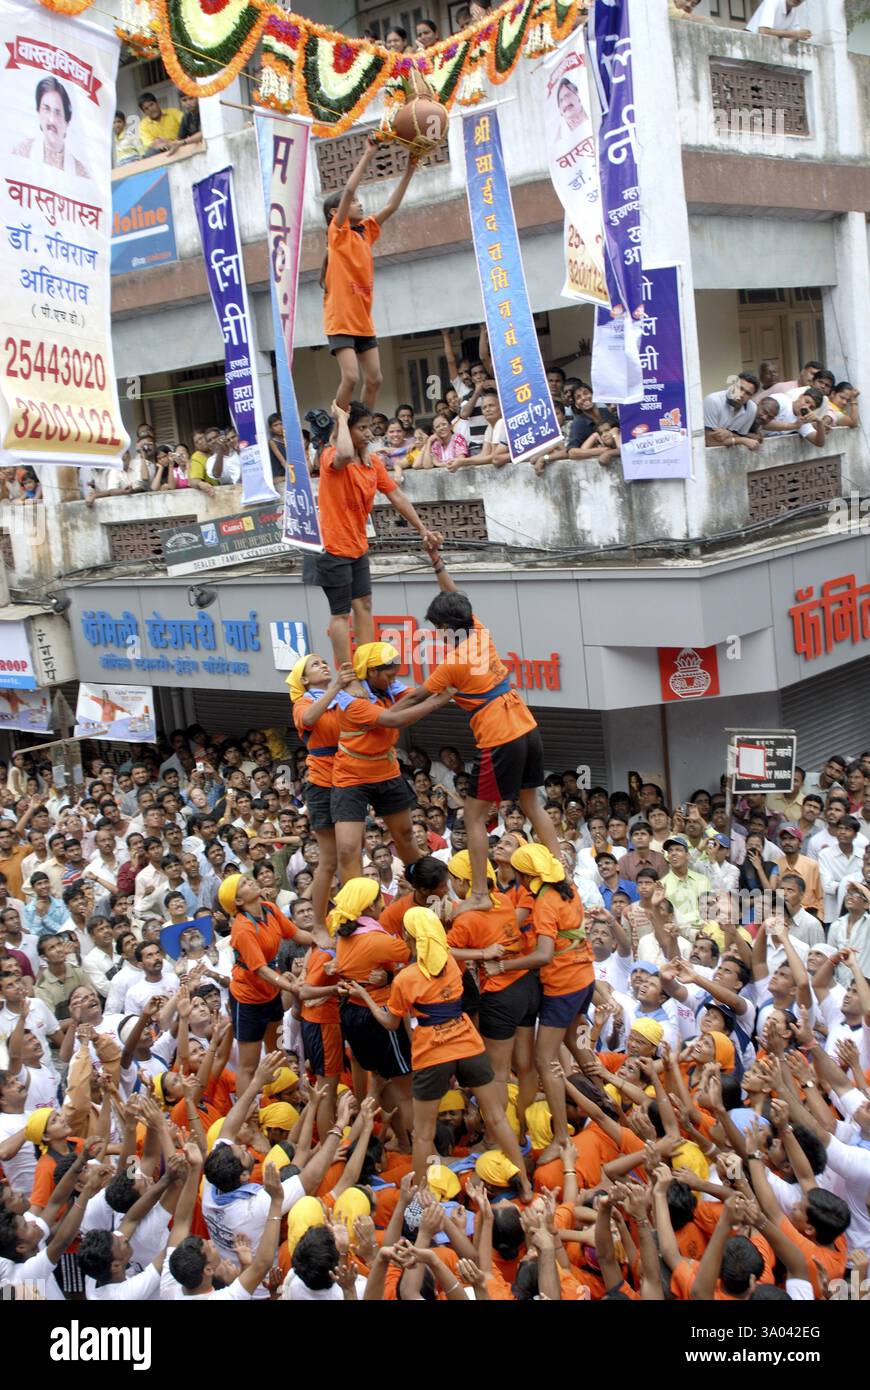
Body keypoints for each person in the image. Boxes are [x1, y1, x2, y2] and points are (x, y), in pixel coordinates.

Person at [395, 549, 566, 907]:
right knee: (530, 803)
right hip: (526, 725)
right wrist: (437, 562)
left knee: (472, 815)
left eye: (436, 627)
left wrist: (378, 717)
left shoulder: (452, 663)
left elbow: (415, 699)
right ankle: (559, 869)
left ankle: (478, 894)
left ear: (443, 628)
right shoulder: (480, 633)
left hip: (500, 736)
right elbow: (454, 598)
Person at [346, 905, 533, 1196]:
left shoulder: (406, 978)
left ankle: (422, 1201)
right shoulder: (449, 961)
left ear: (410, 937)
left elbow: (390, 1022)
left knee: (423, 1134)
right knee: (496, 1116)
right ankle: (526, 1185)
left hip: (432, 1052)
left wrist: (366, 997)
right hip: (467, 1042)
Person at [301, 400, 441, 668]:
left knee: (364, 604)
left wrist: (422, 528)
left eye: (369, 427)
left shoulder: (371, 462)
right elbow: (343, 453)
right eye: (362, 427)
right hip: (331, 548)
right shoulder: (330, 456)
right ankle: (346, 675)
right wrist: (340, 419)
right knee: (340, 615)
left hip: (357, 546)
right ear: (347, 429)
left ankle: (367, 666)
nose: (369, 433)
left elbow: (396, 496)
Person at [329, 642, 455, 883]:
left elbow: (415, 696)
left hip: (386, 772)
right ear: (372, 672)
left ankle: (420, 885)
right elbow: (392, 719)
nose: (394, 679)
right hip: (351, 777)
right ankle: (354, 907)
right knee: (347, 849)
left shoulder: (388, 686)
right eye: (389, 674)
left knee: (406, 834)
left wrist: (448, 680)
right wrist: (440, 700)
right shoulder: (351, 698)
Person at [322, 135, 418, 410]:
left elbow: (392, 206)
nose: (359, 204)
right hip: (340, 318)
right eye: (354, 204)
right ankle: (339, 425)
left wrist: (410, 169)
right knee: (351, 377)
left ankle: (361, 427)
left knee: (375, 379)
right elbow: (349, 191)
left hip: (362, 319)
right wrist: (368, 154)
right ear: (334, 213)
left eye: (358, 203)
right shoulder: (337, 234)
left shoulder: (365, 231)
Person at [220, 871, 314, 1094]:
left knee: (279, 1052)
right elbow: (260, 969)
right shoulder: (242, 928)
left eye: (247, 878)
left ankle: (285, 1096)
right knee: (249, 1066)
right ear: (239, 901)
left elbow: (297, 934)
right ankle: (248, 1114)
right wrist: (289, 985)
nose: (250, 881)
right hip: (248, 1001)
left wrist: (324, 940)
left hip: (271, 994)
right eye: (244, 883)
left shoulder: (269, 909)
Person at [287, 654, 348, 929]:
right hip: (323, 783)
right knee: (329, 861)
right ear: (303, 680)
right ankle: (320, 925)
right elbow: (310, 718)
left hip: (350, 778)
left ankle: (351, 914)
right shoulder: (303, 702)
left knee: (352, 854)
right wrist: (335, 687)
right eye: (315, 665)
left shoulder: (342, 698)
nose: (323, 665)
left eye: (324, 662)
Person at [13, 76, 90, 179]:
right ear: (38, 112)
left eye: (58, 113)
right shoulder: (21, 152)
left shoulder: (80, 173)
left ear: (66, 122)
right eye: (46, 109)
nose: (52, 120)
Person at [703, 374, 761, 449]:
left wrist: (729, 434)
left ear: (751, 396)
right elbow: (708, 441)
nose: (741, 394)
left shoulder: (751, 408)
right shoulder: (713, 401)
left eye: (748, 393)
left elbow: (741, 435)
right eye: (740, 388)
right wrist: (742, 440)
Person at [747, 0, 811, 42]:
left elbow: (795, 34)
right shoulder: (773, 1)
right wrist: (795, 34)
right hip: (750, 41)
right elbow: (763, 31)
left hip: (768, 47)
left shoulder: (793, 11)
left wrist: (803, 35)